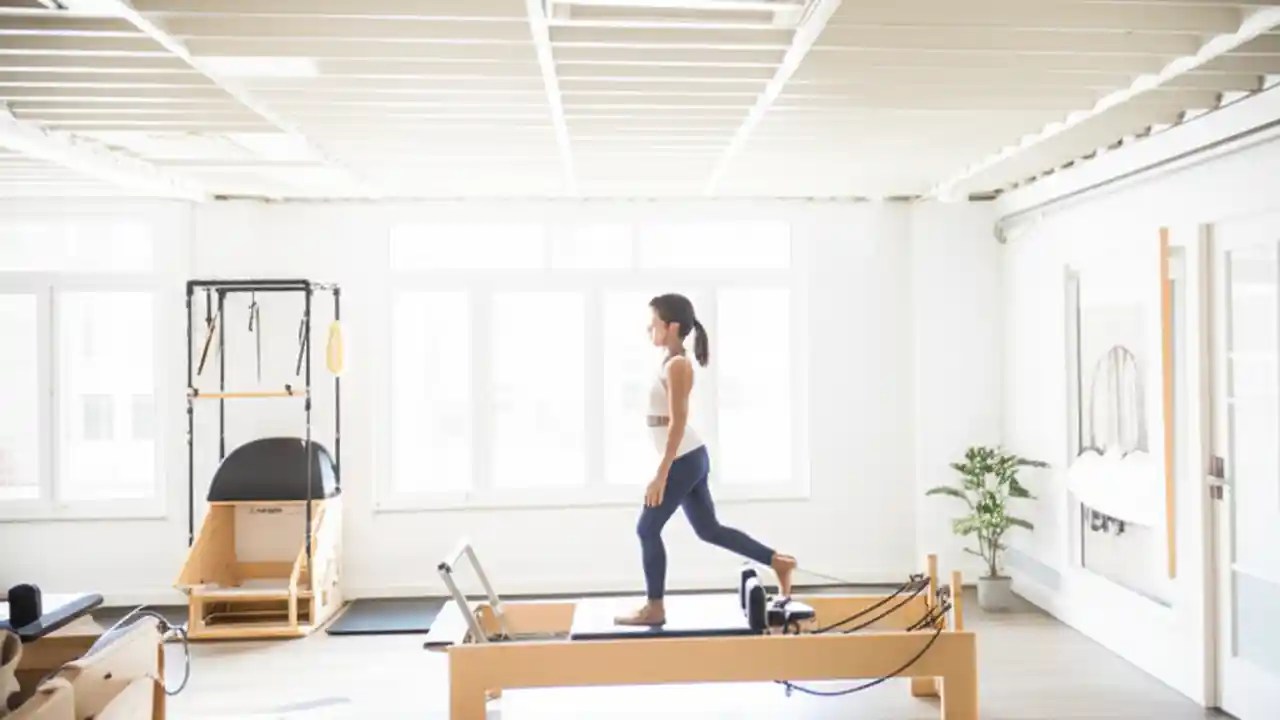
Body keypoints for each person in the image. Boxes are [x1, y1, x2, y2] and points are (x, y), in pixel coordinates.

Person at [614, 293, 797, 626]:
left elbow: (678, 421)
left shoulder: (679, 365)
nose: (648, 329)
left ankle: (655, 607)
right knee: (709, 530)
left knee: (646, 528)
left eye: (653, 322)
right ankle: (778, 562)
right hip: (689, 456)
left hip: (684, 458)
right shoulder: (671, 362)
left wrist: (661, 472)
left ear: (672, 327)